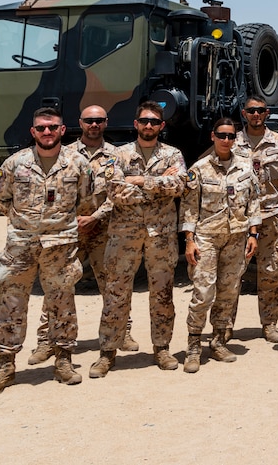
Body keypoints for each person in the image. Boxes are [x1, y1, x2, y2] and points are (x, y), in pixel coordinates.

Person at [0, 108, 93, 396]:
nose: (47, 132)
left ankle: (64, 361)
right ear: (33, 132)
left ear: (62, 130)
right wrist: (29, 225)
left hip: (60, 246)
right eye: (41, 128)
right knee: (11, 302)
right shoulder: (14, 164)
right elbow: (3, 200)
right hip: (21, 245)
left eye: (52, 127)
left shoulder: (77, 163)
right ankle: (6, 365)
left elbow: (85, 201)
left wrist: (58, 226)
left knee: (62, 302)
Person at [28, 106, 138, 365]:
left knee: (113, 285)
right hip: (69, 231)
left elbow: (119, 193)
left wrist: (96, 217)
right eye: (89, 120)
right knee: (58, 285)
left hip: (104, 229)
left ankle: (123, 333)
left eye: (99, 120)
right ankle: (46, 341)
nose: (94, 125)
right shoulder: (64, 154)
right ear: (80, 123)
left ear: (106, 123)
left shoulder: (116, 155)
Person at [92, 101, 187, 377]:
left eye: (154, 122)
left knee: (162, 293)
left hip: (161, 236)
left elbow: (180, 185)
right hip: (124, 235)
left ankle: (162, 348)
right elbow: (114, 190)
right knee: (116, 293)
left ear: (161, 126)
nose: (149, 126)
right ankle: (107, 353)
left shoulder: (173, 154)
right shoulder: (118, 155)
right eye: (144, 121)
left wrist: (137, 180)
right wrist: (157, 184)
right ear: (136, 124)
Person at [181, 117, 261, 373]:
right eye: (222, 135)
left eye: (230, 136)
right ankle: (193, 345)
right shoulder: (200, 169)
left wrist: (253, 234)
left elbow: (254, 203)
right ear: (212, 137)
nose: (226, 140)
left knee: (228, 291)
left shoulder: (246, 168)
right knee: (203, 292)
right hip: (207, 238)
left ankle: (217, 340)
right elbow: (189, 208)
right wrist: (189, 241)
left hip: (236, 237)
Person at [234, 96, 278, 344]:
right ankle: (225, 326)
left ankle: (269, 324)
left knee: (270, 271)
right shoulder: (232, 142)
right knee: (232, 273)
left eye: (260, 110)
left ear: (267, 113)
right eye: (251, 111)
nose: (256, 114)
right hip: (238, 217)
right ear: (244, 113)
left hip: (270, 216)